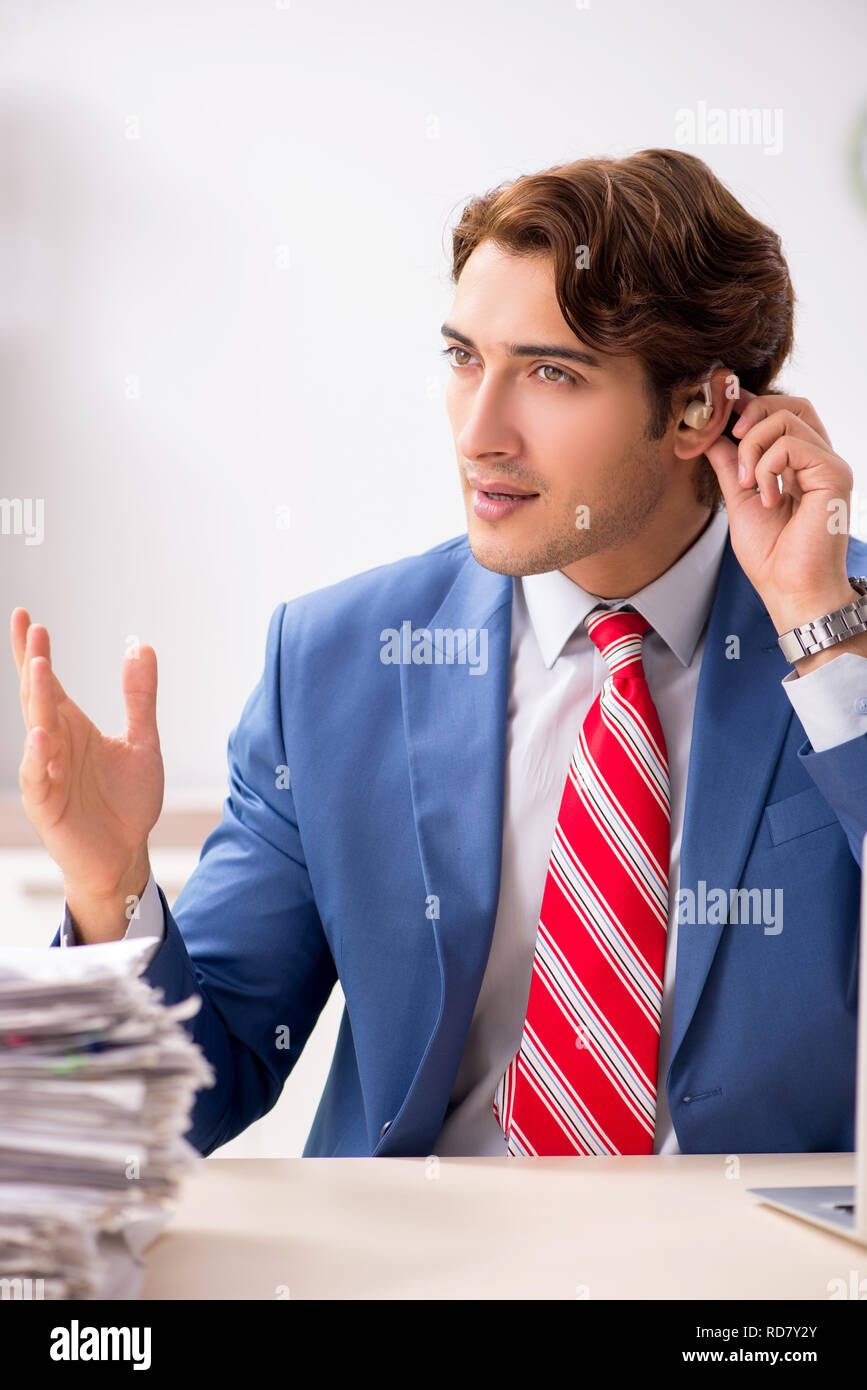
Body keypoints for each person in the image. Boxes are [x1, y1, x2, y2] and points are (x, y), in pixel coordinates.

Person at [12, 148, 867, 1157]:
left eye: (551, 372)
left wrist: (824, 640)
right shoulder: (337, 662)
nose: (478, 430)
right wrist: (111, 887)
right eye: (465, 358)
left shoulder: (838, 630)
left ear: (697, 408)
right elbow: (192, 1094)